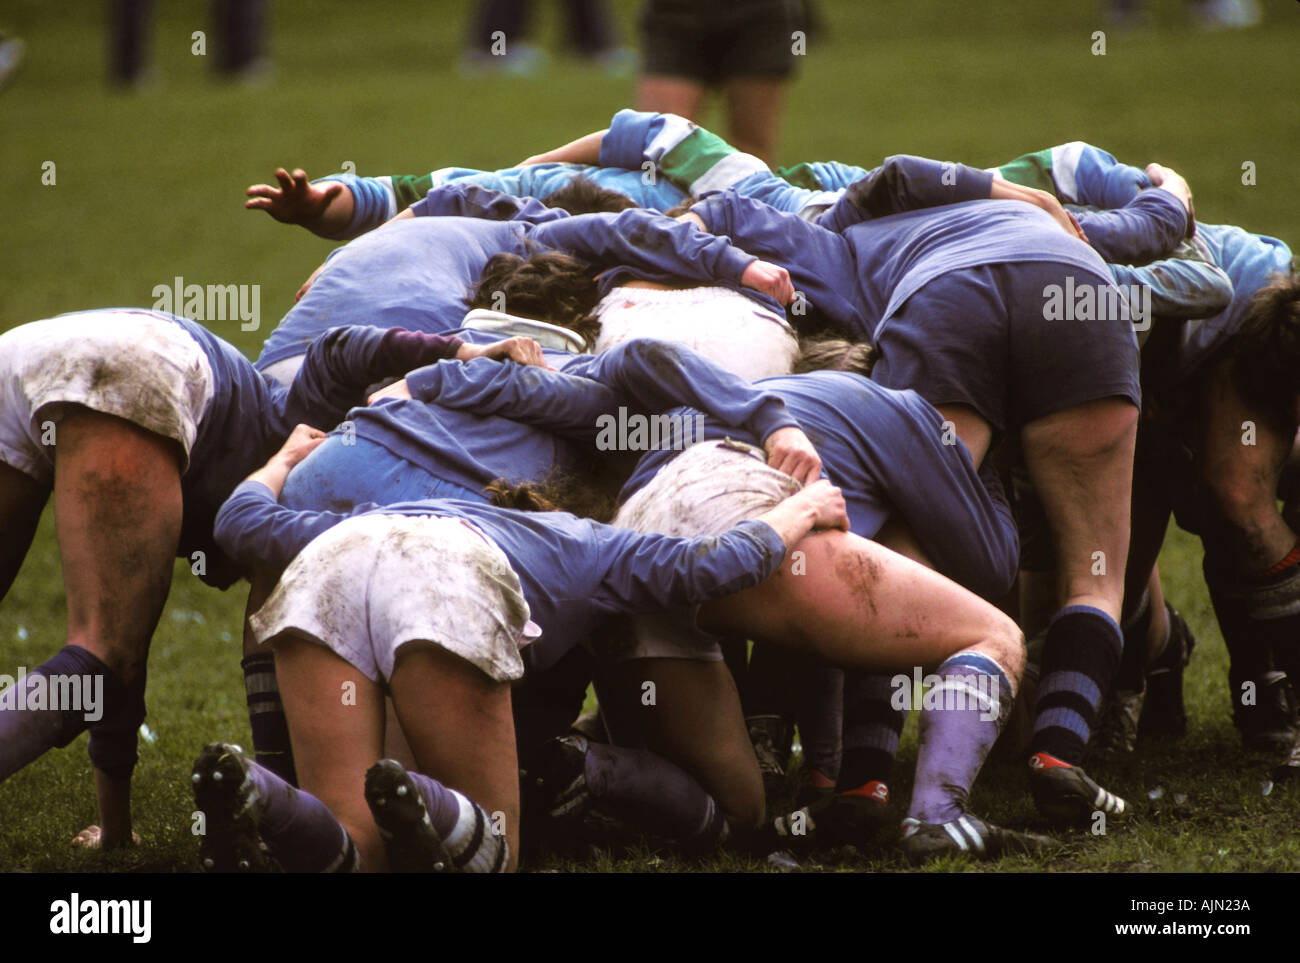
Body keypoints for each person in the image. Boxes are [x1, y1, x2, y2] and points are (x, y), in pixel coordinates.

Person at [201, 424, 848, 871]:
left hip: (330, 560)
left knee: (357, 852)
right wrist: (803, 506)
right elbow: (713, 565)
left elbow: (241, 519)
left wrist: (281, 460)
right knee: (497, 851)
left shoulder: (426, 504)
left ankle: (259, 790)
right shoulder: (592, 540)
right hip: (446, 574)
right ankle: (427, 803)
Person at [0, 309, 490, 848]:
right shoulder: (296, 434)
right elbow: (343, 347)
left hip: (24, 355)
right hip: (136, 366)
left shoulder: (254, 436)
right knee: (102, 654)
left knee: (109, 650)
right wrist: (461, 352)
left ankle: (201, 809)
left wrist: (116, 831)